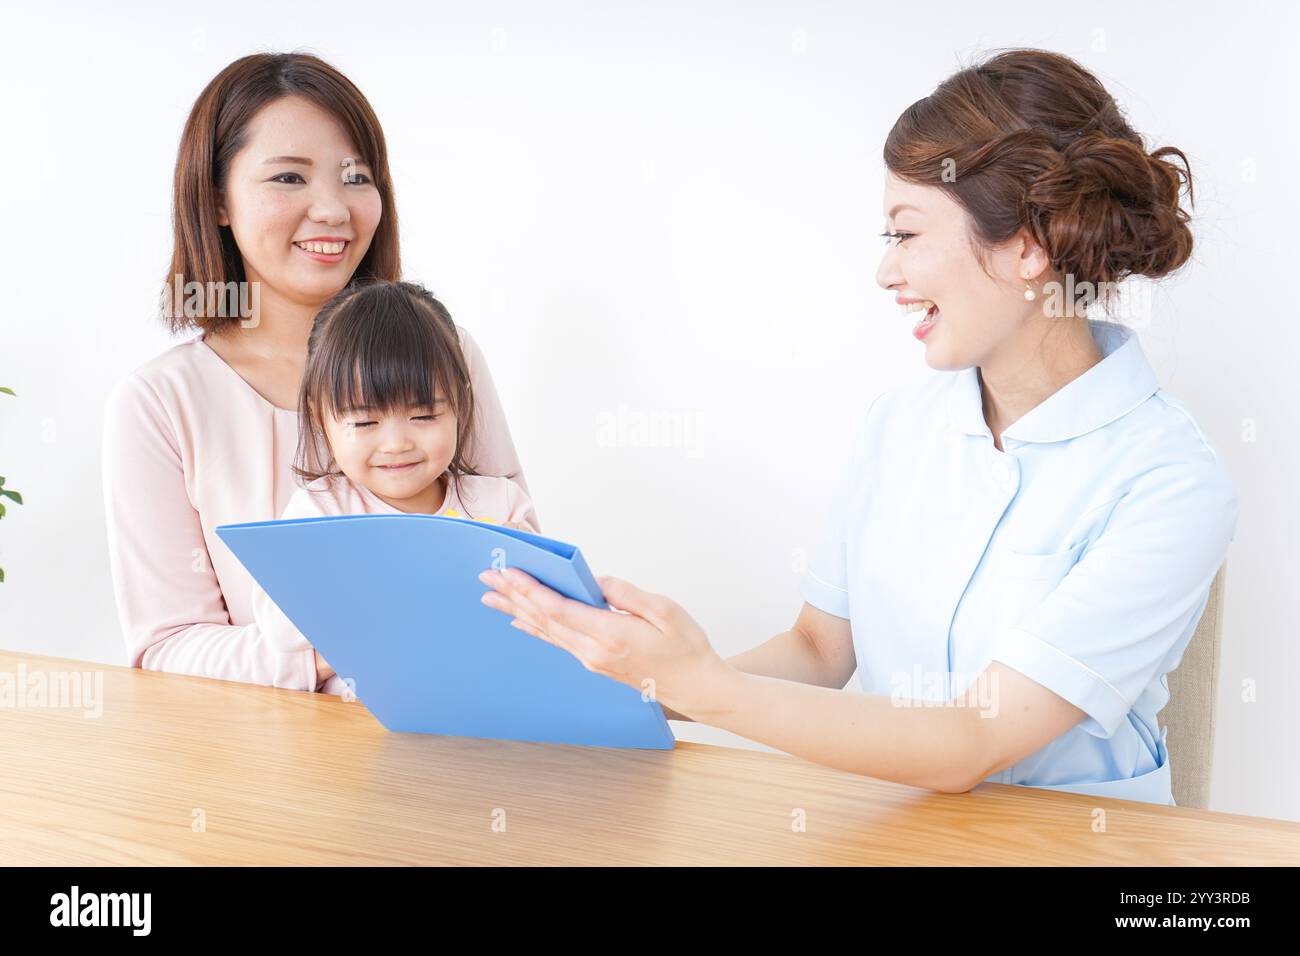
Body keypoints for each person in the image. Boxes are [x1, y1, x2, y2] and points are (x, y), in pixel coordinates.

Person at [479, 48, 1239, 805]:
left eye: (906, 235)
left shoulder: (1170, 480)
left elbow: (970, 743)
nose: (887, 273)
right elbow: (819, 649)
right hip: (899, 834)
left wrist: (702, 685)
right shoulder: (899, 427)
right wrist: (633, 679)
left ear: (1028, 247)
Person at [103, 53, 531, 693]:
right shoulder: (161, 402)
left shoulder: (448, 353)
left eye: (356, 177)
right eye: (288, 178)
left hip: (468, 746)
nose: (332, 208)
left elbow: (524, 580)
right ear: (217, 200)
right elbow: (168, 648)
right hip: (271, 770)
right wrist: (350, 644)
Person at [251, 280, 538, 693]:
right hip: (355, 737)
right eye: (365, 422)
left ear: (461, 404)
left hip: (481, 715)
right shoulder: (321, 512)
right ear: (320, 419)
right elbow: (283, 632)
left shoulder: (500, 504)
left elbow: (537, 621)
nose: (396, 444)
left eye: (423, 417)